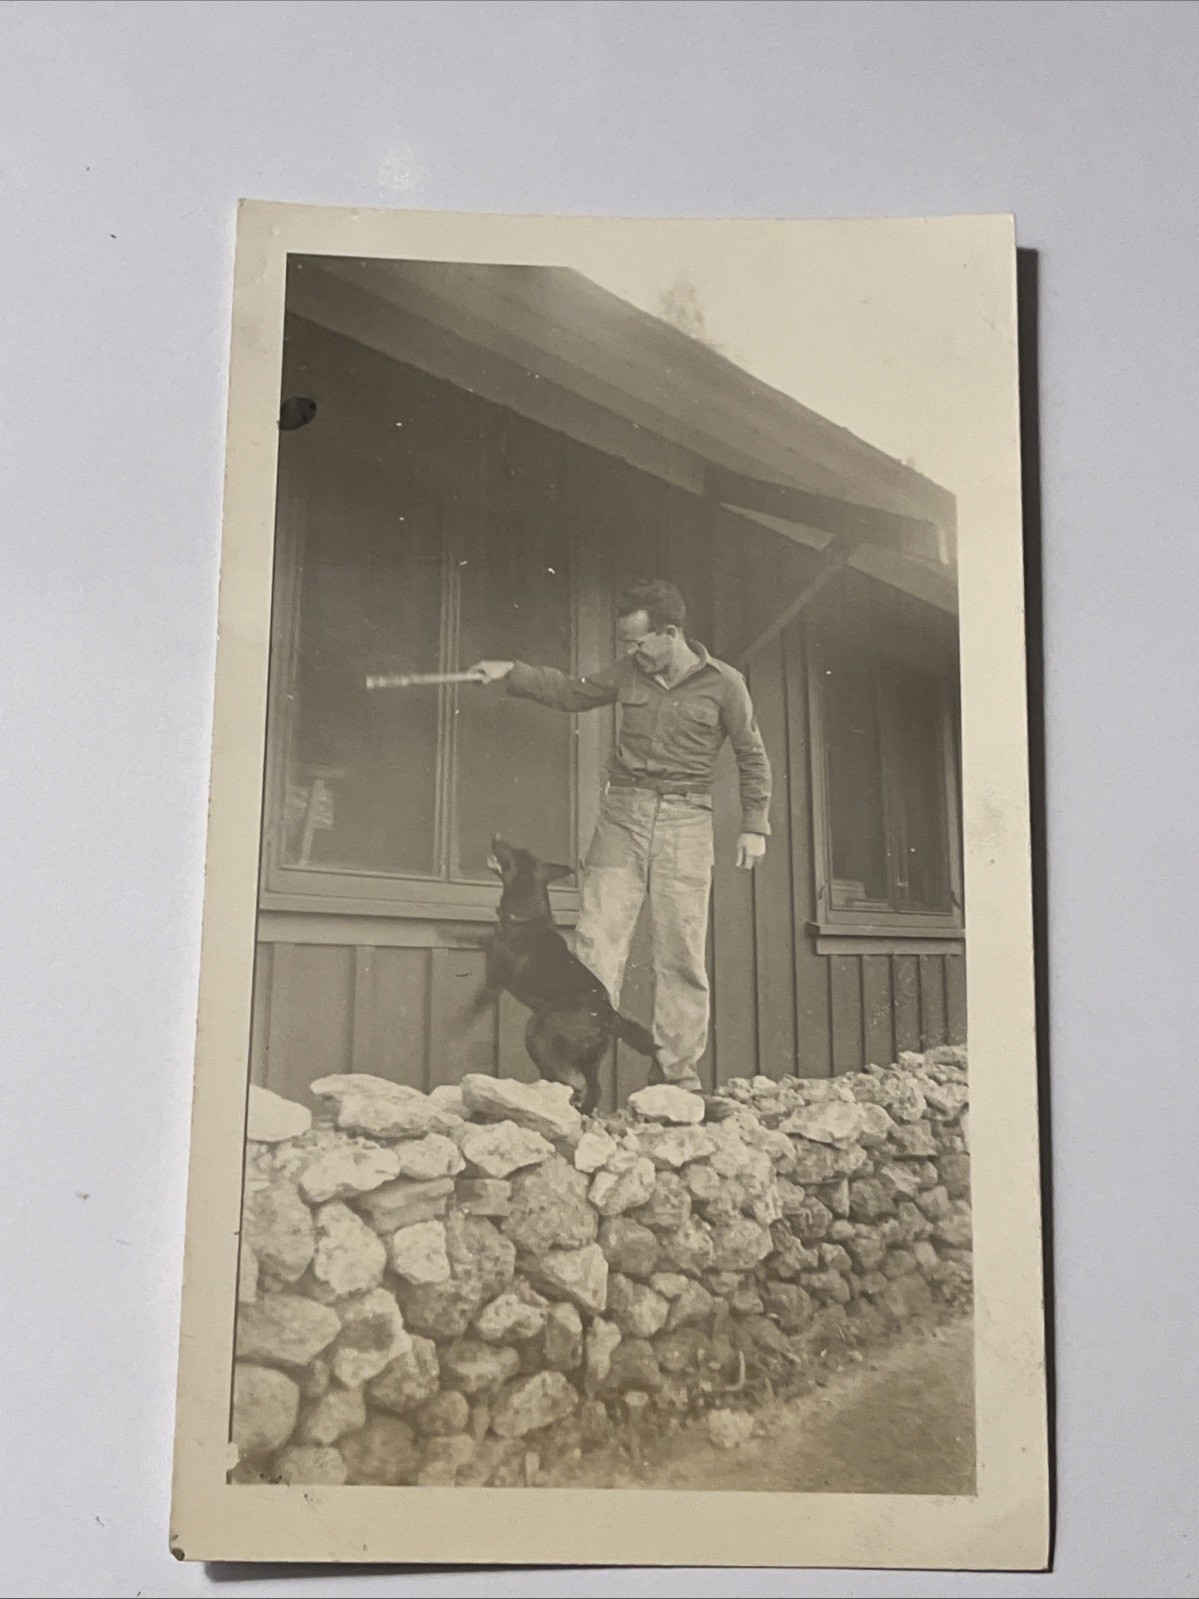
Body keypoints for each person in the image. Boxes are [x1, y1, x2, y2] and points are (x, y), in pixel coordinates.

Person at [470, 577, 771, 1098]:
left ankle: (676, 1080)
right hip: (622, 818)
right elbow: (573, 691)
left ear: (670, 633)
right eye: (625, 644)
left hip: (686, 822)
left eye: (637, 642)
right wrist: (511, 672)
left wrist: (754, 825)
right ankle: (572, 1074)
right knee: (595, 943)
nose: (630, 653)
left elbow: (752, 754)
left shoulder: (726, 684)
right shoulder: (629, 672)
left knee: (681, 953)